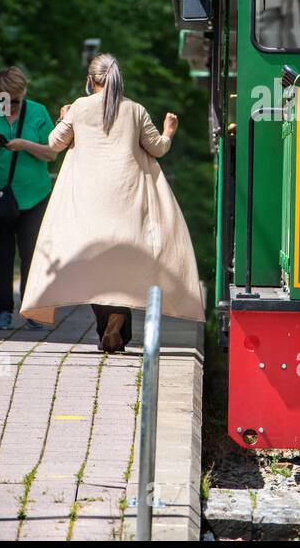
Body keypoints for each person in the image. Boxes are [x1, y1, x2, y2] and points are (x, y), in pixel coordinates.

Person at [19, 53, 203, 350]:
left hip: (88, 199)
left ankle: (108, 323)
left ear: (90, 81)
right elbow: (156, 149)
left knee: (95, 267)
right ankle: (118, 319)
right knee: (122, 265)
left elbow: (54, 144)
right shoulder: (135, 110)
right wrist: (169, 131)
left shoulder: (80, 107)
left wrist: (64, 117)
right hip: (127, 196)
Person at [0, 66, 60, 330]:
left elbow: (52, 153)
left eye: (16, 99)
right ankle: (3, 311)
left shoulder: (38, 112)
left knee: (31, 254)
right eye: (7, 99)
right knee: (1, 255)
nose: (12, 104)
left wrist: (25, 144)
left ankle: (30, 310)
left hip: (33, 195)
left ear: (23, 92)